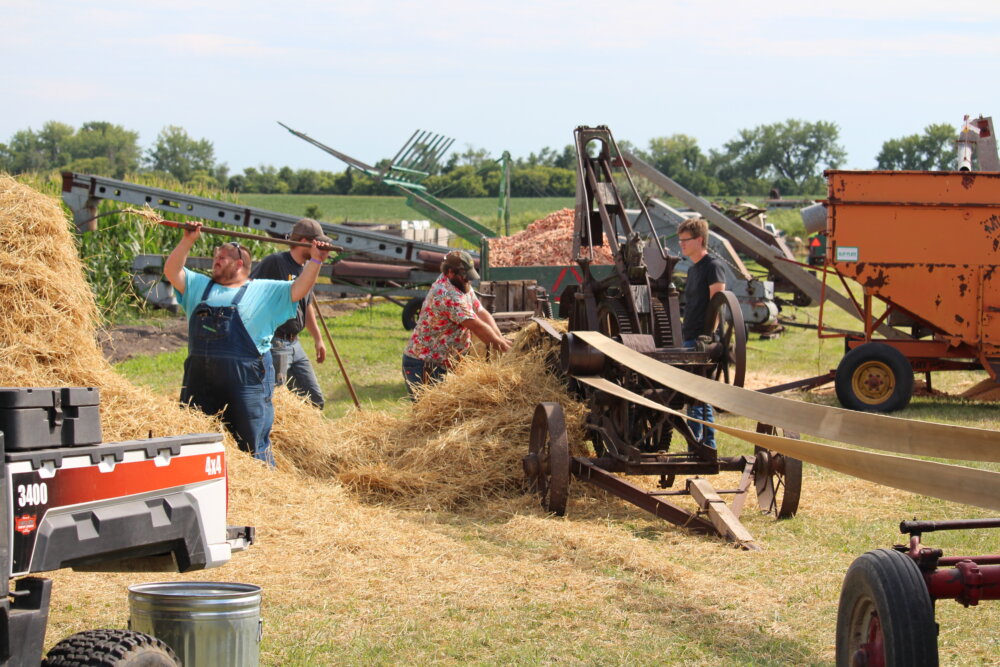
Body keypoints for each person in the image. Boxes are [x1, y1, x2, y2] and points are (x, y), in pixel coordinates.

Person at [164, 222, 331, 465]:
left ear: (240, 264)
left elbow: (299, 289)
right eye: (215, 257)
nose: (216, 260)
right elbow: (171, 270)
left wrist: (316, 261)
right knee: (196, 444)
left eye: (223, 257)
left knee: (252, 446)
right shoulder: (199, 286)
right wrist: (187, 240)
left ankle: (260, 486)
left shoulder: (263, 290)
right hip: (201, 384)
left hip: (247, 385)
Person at [402, 250, 511, 397]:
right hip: (426, 366)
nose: (468, 281)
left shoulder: (460, 284)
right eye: (465, 277)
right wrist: (505, 349)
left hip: (444, 363)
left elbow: (480, 311)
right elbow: (475, 325)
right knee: (432, 416)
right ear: (450, 272)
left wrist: (501, 338)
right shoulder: (447, 294)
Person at [250, 218, 328, 409]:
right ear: (303, 242)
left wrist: (318, 339)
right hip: (276, 341)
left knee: (314, 401)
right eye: (316, 243)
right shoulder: (275, 263)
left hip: (294, 343)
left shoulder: (306, 268)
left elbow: (306, 305)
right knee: (274, 399)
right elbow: (249, 290)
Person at [678, 217, 727, 450]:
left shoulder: (712, 266)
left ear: (699, 240)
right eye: (680, 240)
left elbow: (717, 303)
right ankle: (705, 445)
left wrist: (708, 336)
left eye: (685, 240)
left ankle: (698, 445)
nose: (682, 244)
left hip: (702, 340)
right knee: (698, 394)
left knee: (697, 394)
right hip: (690, 337)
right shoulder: (692, 269)